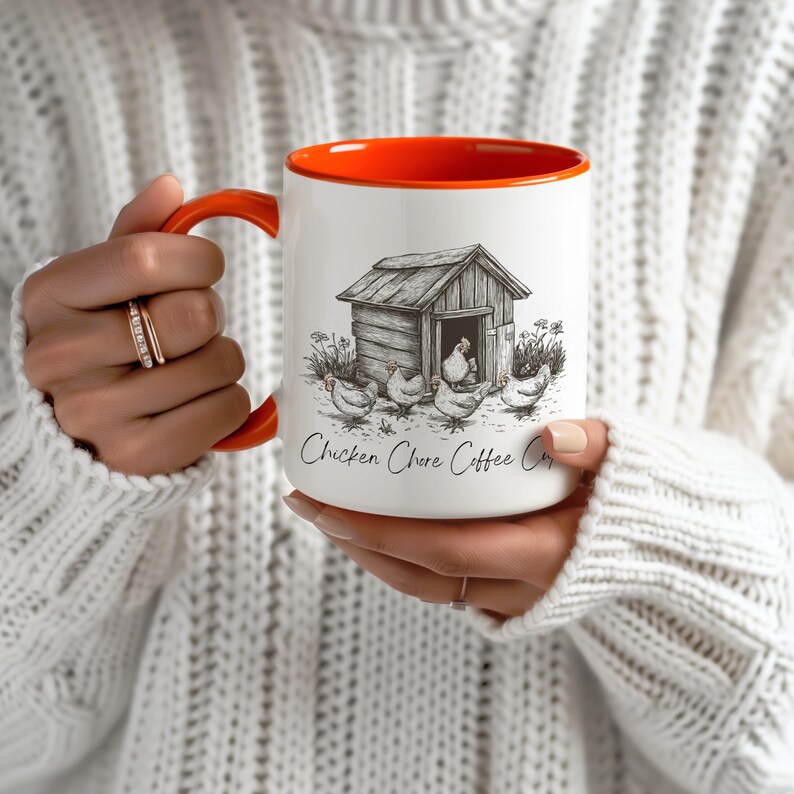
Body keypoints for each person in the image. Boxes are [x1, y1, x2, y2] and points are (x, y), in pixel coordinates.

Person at [1, 1, 792, 791]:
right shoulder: (32, 57)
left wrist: (660, 548)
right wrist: (62, 487)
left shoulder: (758, 50)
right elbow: (20, 743)